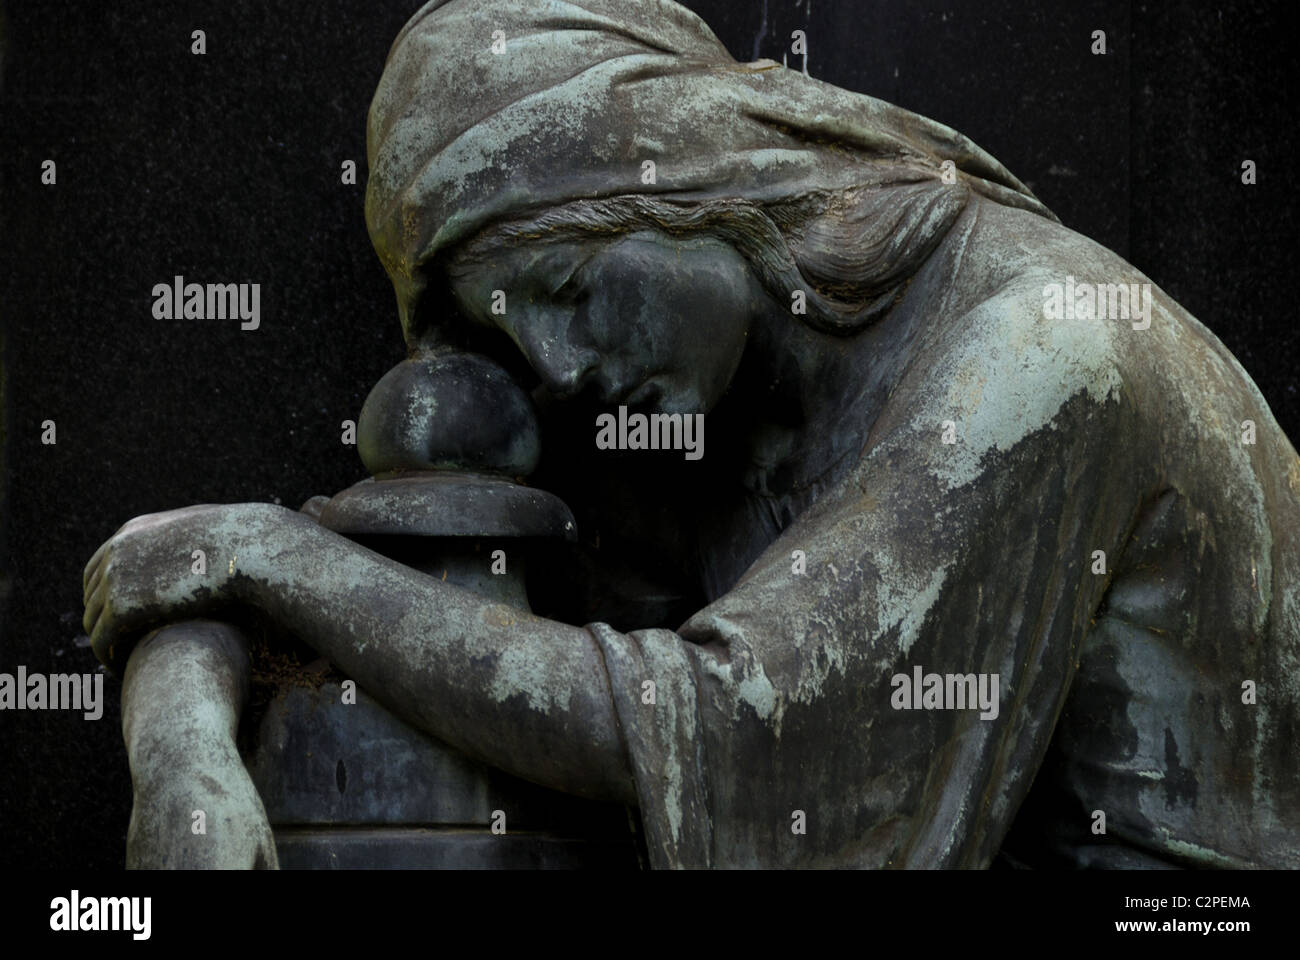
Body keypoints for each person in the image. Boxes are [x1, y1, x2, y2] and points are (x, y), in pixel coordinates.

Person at [84, 0, 1300, 868]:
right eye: (517, 331)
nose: (559, 371)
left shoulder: (1045, 351)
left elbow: (731, 737)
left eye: (564, 287)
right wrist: (184, 748)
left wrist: (262, 557)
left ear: (688, 185)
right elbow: (268, 571)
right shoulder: (708, 393)